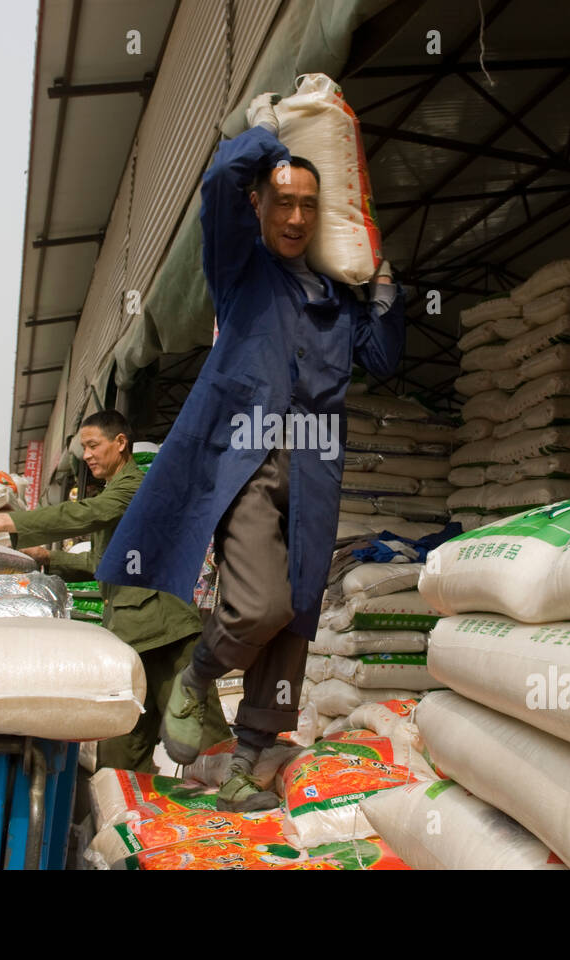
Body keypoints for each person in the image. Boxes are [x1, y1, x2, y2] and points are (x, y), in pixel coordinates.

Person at [96, 93, 405, 812]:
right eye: (283, 202)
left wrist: (383, 278)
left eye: (308, 206)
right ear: (263, 207)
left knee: (296, 616)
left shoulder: (339, 295)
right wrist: (270, 139)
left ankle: (251, 760)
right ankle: (197, 677)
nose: (296, 218)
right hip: (250, 456)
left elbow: (383, 357)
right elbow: (216, 185)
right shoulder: (242, 272)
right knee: (258, 603)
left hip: (318, 462)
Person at [0, 410, 231, 772]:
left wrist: (7, 520)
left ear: (120, 443)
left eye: (94, 445)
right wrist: (48, 557)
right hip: (132, 635)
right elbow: (100, 563)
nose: (88, 455)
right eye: (84, 448)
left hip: (167, 632)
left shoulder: (136, 487)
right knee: (119, 752)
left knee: (207, 743)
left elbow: (84, 515)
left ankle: (238, 813)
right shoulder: (115, 491)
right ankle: (130, 821)